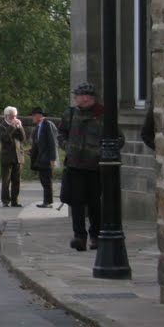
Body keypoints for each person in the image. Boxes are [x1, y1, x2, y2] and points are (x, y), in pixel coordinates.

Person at [60, 82, 104, 251]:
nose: (81, 98)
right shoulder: (71, 114)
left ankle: (96, 236)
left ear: (90, 97)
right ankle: (79, 237)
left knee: (94, 204)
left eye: (84, 95)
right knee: (76, 203)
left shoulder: (102, 115)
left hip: (95, 167)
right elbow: (61, 132)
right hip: (75, 166)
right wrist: (66, 146)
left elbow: (117, 139)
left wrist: (100, 152)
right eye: (78, 95)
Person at [0, 106, 27, 207]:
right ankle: (5, 200)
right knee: (6, 180)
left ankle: (15, 200)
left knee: (16, 180)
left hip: (18, 156)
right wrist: (12, 127)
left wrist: (20, 127)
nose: (14, 118)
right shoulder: (1, 126)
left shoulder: (17, 125)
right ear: (6, 116)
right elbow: (5, 138)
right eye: (11, 116)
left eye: (15, 116)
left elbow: (23, 138)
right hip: (7, 157)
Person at [28, 107, 58, 208]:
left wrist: (53, 159)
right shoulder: (38, 127)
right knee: (43, 180)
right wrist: (31, 151)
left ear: (38, 115)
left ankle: (48, 202)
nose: (32, 117)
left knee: (46, 181)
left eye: (33, 115)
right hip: (41, 158)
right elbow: (38, 144)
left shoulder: (47, 124)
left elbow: (52, 142)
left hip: (46, 158)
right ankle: (47, 200)